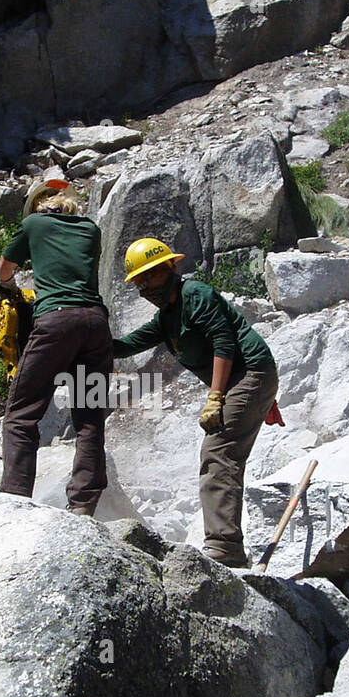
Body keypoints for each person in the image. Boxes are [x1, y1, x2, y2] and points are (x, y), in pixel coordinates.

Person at [112, 238, 278, 568]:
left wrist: (216, 397)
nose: (146, 287)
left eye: (152, 277)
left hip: (250, 372)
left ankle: (225, 547)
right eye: (140, 282)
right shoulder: (167, 318)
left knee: (218, 450)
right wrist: (85, 342)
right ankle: (228, 544)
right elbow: (126, 345)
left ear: (169, 269)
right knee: (222, 451)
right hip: (243, 382)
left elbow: (224, 342)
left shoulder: (196, 295)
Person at [0, 169, 113, 515]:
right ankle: (82, 506)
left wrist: (11, 288)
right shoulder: (91, 229)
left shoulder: (34, 225)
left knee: (21, 416)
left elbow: (4, 268)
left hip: (55, 322)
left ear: (38, 205)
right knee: (90, 419)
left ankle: (14, 500)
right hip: (95, 323)